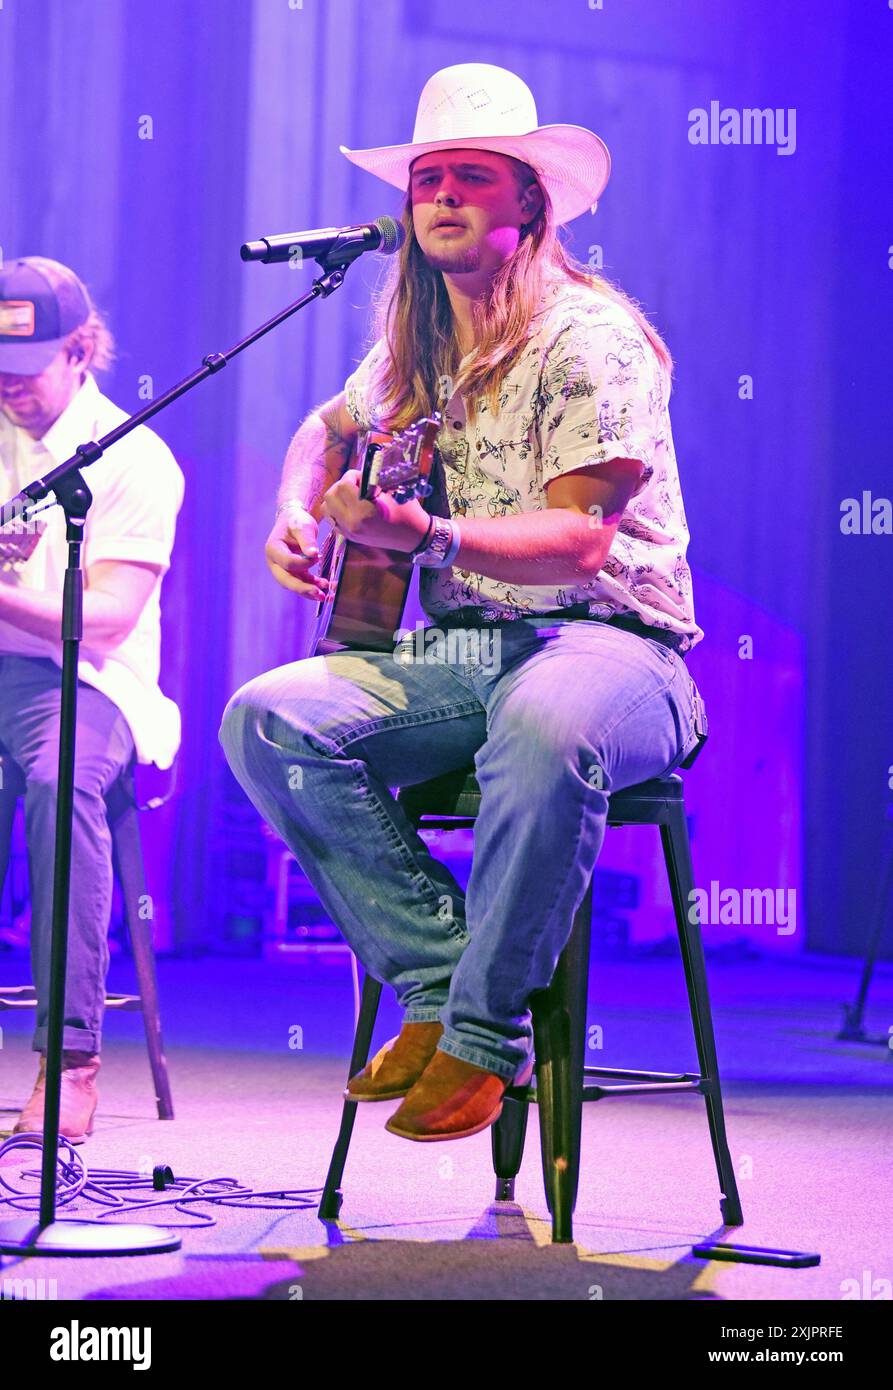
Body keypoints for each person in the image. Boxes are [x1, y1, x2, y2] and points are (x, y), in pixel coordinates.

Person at [220, 63, 705, 1142]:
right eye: (426, 178)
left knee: (543, 725)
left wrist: (427, 534)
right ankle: (442, 982)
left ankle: (486, 1038)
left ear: (526, 200)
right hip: (467, 651)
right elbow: (326, 426)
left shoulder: (590, 337)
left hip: (616, 651)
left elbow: (581, 541)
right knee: (269, 717)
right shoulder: (419, 340)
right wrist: (294, 507)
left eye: (469, 178)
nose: (438, 196)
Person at [0, 256, 184, 1143]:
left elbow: (106, 621)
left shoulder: (134, 456)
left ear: (80, 352)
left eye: (25, 370)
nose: (9, 387)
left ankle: (69, 1061)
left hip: (79, 677)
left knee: (59, 774)